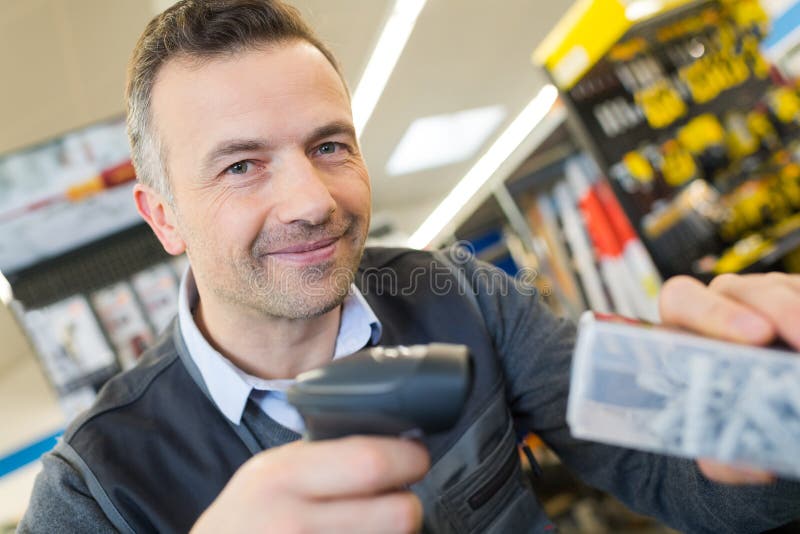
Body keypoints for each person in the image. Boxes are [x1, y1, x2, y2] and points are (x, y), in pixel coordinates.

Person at [18, 1, 800, 532]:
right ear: (163, 219)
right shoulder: (94, 487)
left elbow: (676, 474)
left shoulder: (467, 298)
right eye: (240, 167)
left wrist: (773, 425)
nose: (311, 201)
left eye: (328, 146)